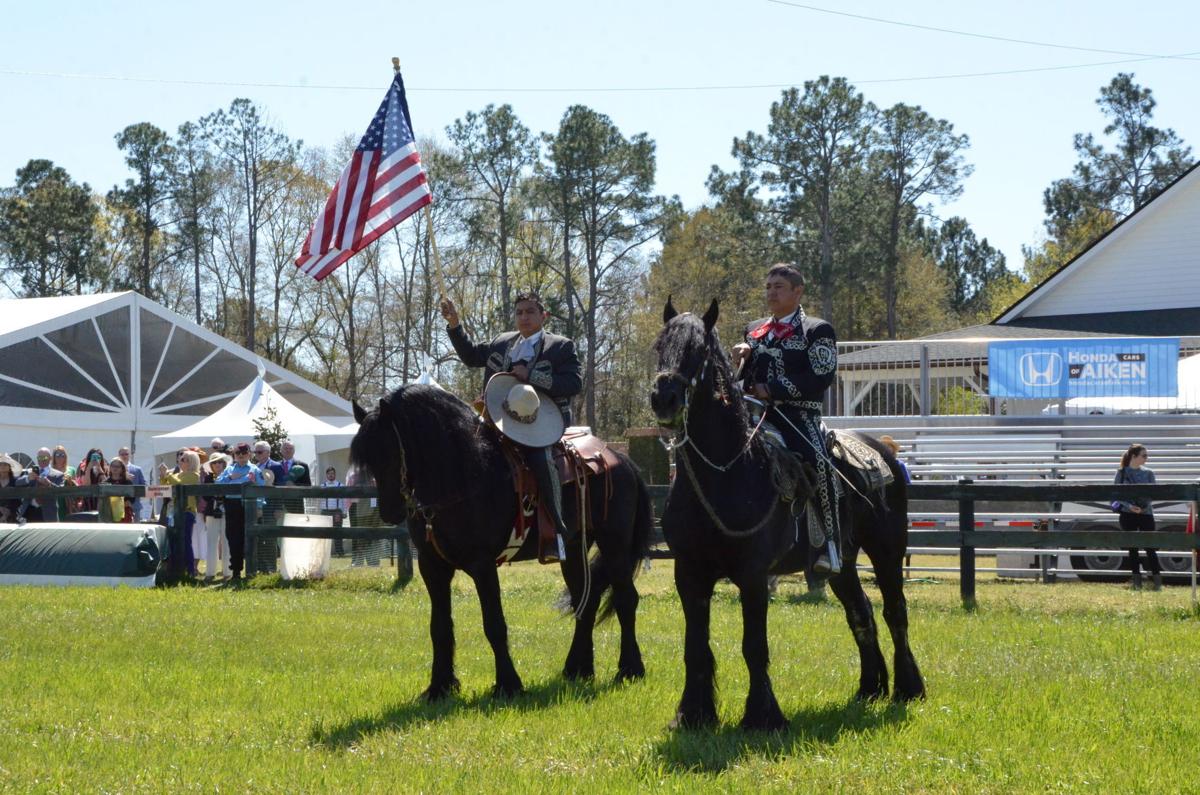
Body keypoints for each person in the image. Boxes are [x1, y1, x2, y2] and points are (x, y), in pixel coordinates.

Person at [441, 289, 582, 560]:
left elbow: (573, 383)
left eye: (530, 311)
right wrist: (455, 325)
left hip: (542, 421)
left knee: (541, 459)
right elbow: (470, 356)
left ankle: (557, 532)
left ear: (544, 315)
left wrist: (532, 376)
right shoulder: (501, 342)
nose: (524, 317)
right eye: (519, 312)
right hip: (499, 419)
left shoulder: (561, 346)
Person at [732, 263, 841, 575]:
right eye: (768, 287)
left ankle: (830, 544)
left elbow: (821, 376)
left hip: (797, 415)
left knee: (819, 461)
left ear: (798, 291)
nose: (771, 293)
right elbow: (743, 377)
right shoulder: (753, 330)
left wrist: (774, 389)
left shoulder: (817, 330)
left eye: (778, 287)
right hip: (752, 413)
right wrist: (739, 360)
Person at [1114, 443, 1161, 590]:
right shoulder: (1121, 472)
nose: (1146, 458)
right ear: (1134, 456)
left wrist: (1144, 507)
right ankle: (1136, 581)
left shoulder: (1149, 473)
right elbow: (1115, 494)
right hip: (1128, 514)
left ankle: (1157, 582)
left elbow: (1154, 494)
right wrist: (1129, 507)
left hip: (1146, 514)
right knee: (1132, 548)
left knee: (1150, 548)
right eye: (1144, 455)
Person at [216, 442, 263, 581]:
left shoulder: (255, 470)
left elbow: (261, 489)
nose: (241, 456)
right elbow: (217, 484)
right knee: (233, 537)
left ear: (249, 454)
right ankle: (236, 571)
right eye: (238, 453)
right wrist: (230, 478)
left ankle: (251, 571)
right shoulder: (229, 469)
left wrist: (259, 506)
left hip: (249, 505)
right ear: (234, 455)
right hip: (231, 505)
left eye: (244, 453)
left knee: (249, 537)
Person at [160, 450, 202, 577]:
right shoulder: (178, 474)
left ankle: (190, 570)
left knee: (185, 540)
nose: (180, 461)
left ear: (192, 462)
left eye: (184, 459)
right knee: (172, 540)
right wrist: (163, 476)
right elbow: (165, 487)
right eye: (180, 459)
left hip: (187, 511)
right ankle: (175, 569)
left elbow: (178, 484)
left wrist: (167, 474)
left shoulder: (194, 475)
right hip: (173, 511)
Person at [201, 453, 231, 581]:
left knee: (226, 542)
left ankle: (227, 572)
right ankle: (210, 573)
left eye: (220, 462)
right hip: (211, 513)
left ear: (224, 464)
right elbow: (205, 496)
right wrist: (215, 497)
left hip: (227, 512)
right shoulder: (208, 478)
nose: (217, 464)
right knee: (211, 542)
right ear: (211, 465)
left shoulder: (229, 476)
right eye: (214, 462)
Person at [19, 448, 65, 522]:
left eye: (45, 458)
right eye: (40, 458)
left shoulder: (58, 474)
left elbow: (61, 491)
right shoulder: (29, 472)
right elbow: (17, 483)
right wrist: (28, 478)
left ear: (50, 458)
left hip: (48, 513)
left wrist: (49, 484)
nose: (42, 460)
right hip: (29, 510)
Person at [115, 446, 146, 521]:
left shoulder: (137, 469)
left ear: (130, 455)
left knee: (136, 527)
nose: (124, 456)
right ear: (118, 456)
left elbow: (144, 486)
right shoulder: (114, 469)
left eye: (126, 454)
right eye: (122, 454)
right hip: (117, 507)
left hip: (134, 506)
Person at [103, 458, 134, 523]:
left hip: (124, 512)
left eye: (117, 466)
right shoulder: (105, 482)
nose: (115, 468)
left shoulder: (127, 482)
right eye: (113, 466)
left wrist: (117, 505)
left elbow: (131, 500)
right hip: (109, 512)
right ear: (110, 467)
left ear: (122, 468)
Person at [0, 453, 23, 522]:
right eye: (0, 464)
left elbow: (18, 501)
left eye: (5, 464)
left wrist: (8, 512)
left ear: (10, 467)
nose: (2, 466)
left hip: (13, 514)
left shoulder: (16, 481)